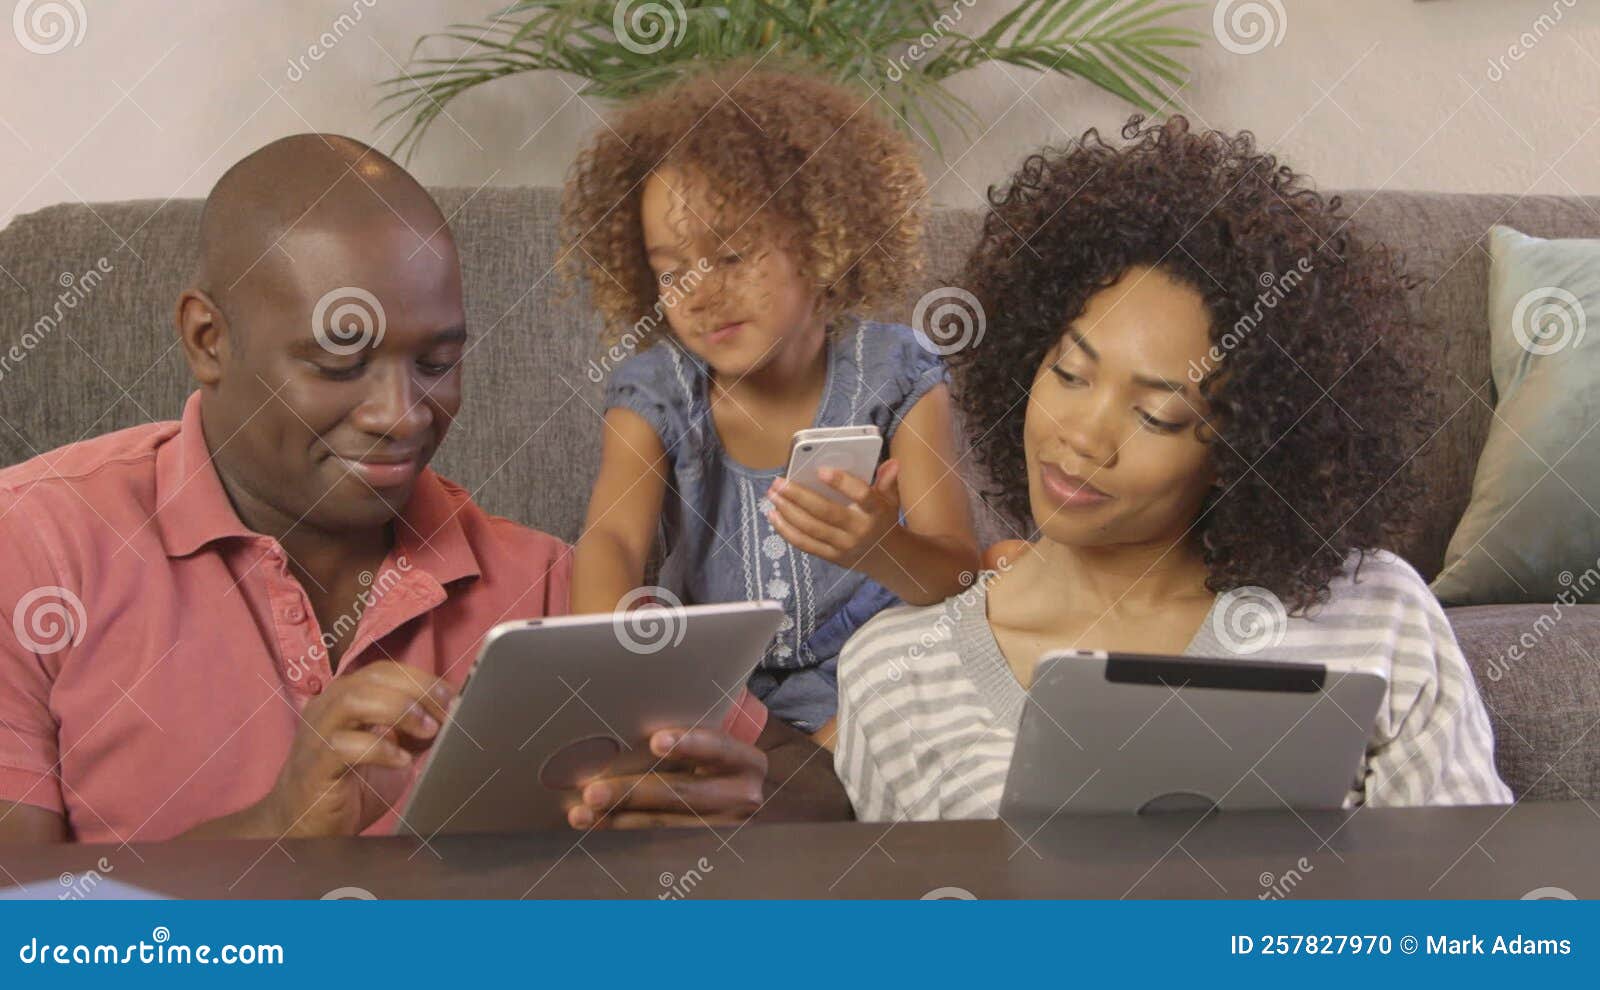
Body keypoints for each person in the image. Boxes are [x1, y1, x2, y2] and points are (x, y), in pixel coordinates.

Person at [0, 133, 848, 843]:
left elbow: (829, 799)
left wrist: (743, 801)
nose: (401, 414)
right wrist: (277, 831)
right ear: (208, 339)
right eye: (340, 362)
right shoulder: (39, 546)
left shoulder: (545, 587)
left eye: (438, 363)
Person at [833, 117, 1513, 821]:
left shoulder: (1375, 618)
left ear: (1243, 449)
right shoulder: (895, 673)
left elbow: (1464, 910)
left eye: (1157, 415)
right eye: (1068, 374)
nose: (1085, 438)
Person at [564, 66, 980, 745]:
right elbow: (611, 539)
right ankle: (788, 776)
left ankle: (813, 773)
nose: (699, 293)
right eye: (672, 271)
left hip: (874, 676)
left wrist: (882, 548)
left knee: (937, 667)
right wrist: (611, 664)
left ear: (823, 239)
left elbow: (959, 571)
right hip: (723, 687)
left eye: (730, 255)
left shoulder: (895, 374)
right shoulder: (657, 390)